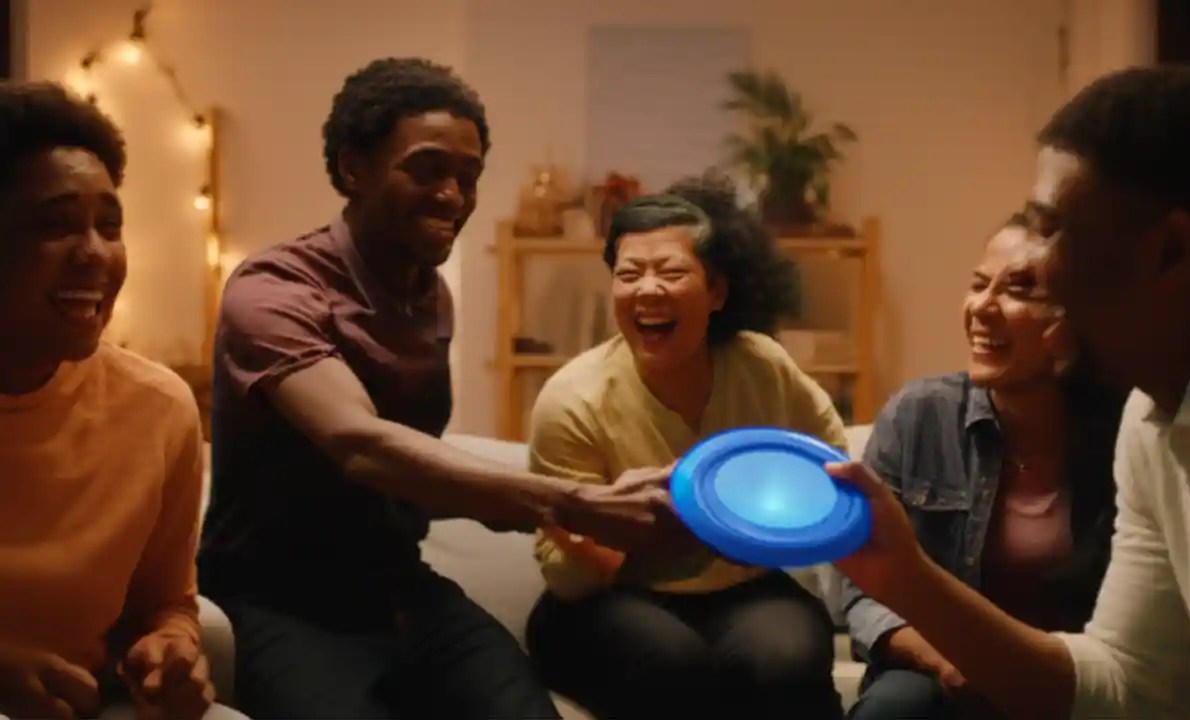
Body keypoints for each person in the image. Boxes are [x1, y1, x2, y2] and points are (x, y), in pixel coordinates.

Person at [196, 57, 680, 720]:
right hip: (281, 601)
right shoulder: (272, 291)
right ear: (352, 168)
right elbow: (359, 444)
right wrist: (566, 502)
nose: (453, 195)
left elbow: (408, 469)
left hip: (398, 587)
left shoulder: (429, 295)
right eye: (427, 170)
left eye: (469, 175)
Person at [829, 65, 1190, 719]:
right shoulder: (1152, 414)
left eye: (1052, 231)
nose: (1038, 267)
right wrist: (905, 578)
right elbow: (1129, 685)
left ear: (1172, 253)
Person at [523, 173, 846, 720]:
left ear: (717, 291)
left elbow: (835, 473)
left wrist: (763, 517)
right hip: (608, 600)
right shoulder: (571, 398)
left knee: (787, 658)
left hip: (742, 591)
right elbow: (565, 576)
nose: (648, 289)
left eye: (671, 272)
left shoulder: (762, 367)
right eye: (629, 275)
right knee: (670, 662)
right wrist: (606, 527)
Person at [0, 81, 242, 720]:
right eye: (55, 226)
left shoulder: (157, 409)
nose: (94, 254)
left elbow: (165, 602)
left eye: (110, 225)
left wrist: (170, 648)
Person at [841, 215, 1124, 720]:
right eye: (977, 284)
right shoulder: (919, 413)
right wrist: (951, 661)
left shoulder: (1129, 434)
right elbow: (862, 592)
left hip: (1075, 673)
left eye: (1019, 289)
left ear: (1076, 317)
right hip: (939, 666)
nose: (981, 307)